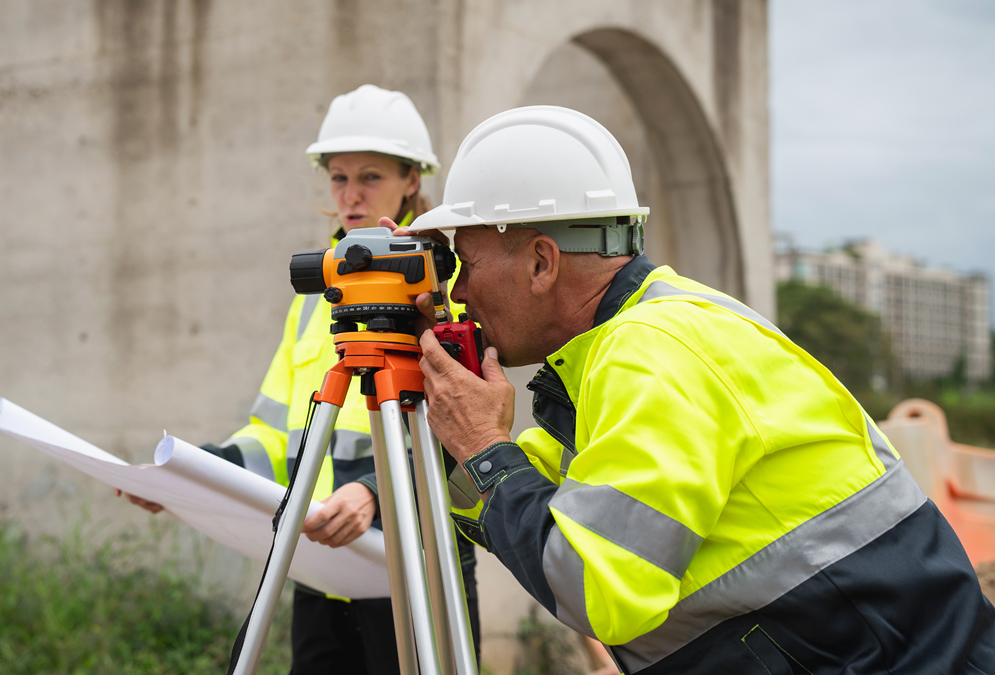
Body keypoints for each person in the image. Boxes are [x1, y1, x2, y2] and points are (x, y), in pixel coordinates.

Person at [393, 105, 995, 674]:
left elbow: (593, 587)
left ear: (542, 263)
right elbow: (525, 507)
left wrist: (481, 445)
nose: (461, 292)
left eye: (464, 264)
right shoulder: (632, 344)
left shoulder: (652, 355)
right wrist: (459, 430)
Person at [120, 84, 481, 674]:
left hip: (417, 564)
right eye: (338, 178)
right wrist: (190, 473)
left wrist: (374, 495)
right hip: (322, 568)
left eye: (369, 177)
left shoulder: (448, 281)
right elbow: (276, 433)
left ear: (411, 179)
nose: (350, 195)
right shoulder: (324, 291)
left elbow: (469, 431)